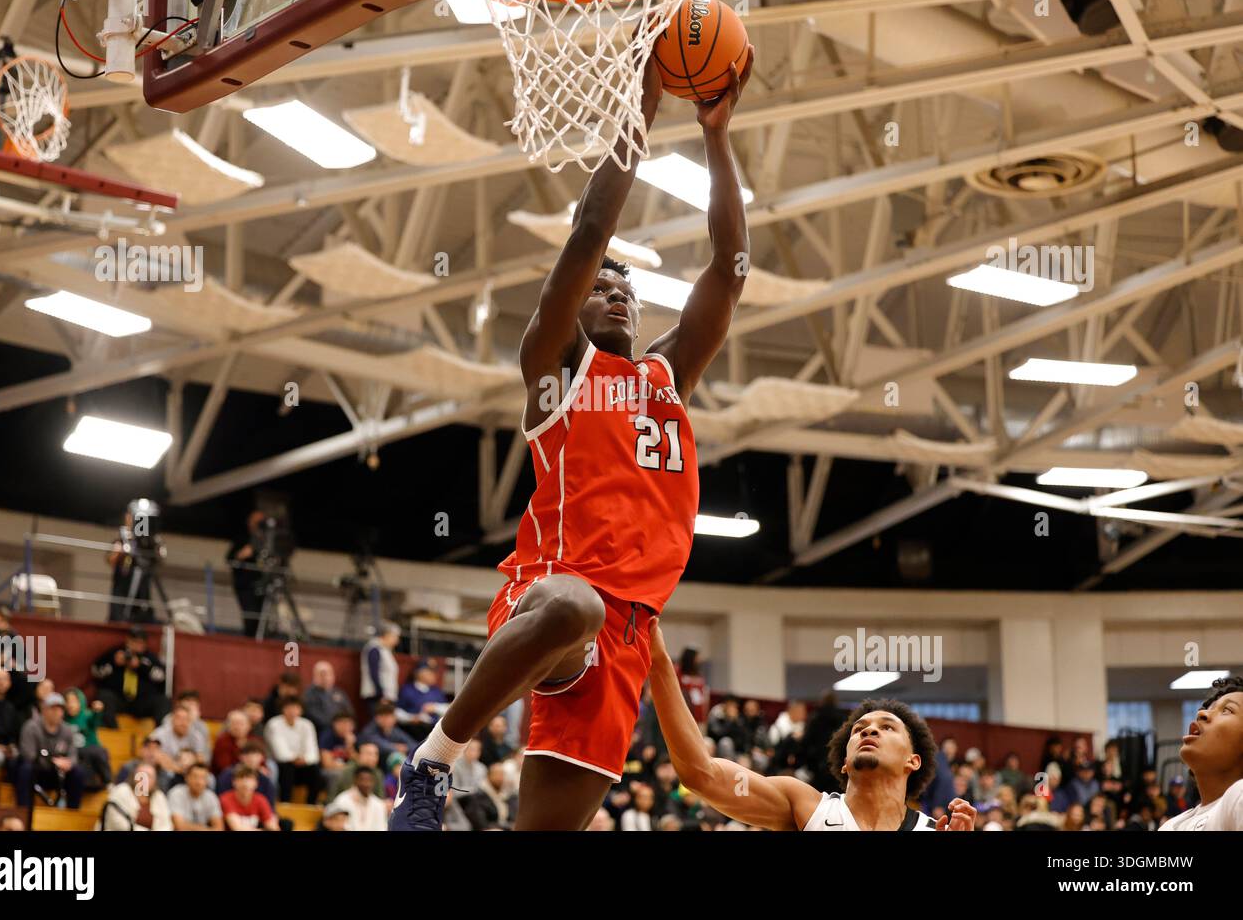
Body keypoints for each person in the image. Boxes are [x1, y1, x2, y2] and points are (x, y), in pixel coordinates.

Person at [390, 50, 755, 832]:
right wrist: (646, 101)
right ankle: (429, 764)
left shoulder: (668, 377)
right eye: (601, 289)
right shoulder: (555, 369)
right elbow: (593, 228)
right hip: (552, 597)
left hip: (629, 638)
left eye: (627, 290)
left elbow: (729, 268)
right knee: (575, 607)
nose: (616, 295)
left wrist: (718, 135)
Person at [646, 623, 974, 831]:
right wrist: (659, 664)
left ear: (913, 761)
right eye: (859, 728)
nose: (868, 731)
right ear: (844, 762)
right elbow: (702, 775)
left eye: (887, 727)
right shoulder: (805, 807)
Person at [1161, 674, 1243, 830]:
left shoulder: (1238, 797)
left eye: (1226, 710)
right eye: (1209, 708)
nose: (1201, 714)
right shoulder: (1171, 825)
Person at [15, 692, 86, 809]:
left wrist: (68, 763)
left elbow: (73, 755)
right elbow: (28, 755)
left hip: (56, 773)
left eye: (60, 709)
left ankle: (73, 812)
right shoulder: (31, 727)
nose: (57, 713)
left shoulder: (67, 730)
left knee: (78, 772)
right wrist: (53, 760)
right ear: (44, 710)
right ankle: (23, 810)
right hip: (36, 771)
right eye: (53, 709)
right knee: (25, 768)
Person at [91, 627, 170, 725]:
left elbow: (162, 677)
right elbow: (95, 672)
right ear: (127, 640)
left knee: (163, 701)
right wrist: (113, 663)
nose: (137, 645)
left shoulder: (149, 658)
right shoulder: (115, 653)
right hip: (119, 699)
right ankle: (112, 731)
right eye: (134, 641)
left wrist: (141, 666)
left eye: (140, 642)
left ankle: (160, 736)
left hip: (142, 701)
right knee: (104, 696)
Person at [264, 696, 322, 804]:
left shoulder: (307, 725)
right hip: (281, 764)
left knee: (315, 771)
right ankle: (285, 802)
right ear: (283, 709)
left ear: (301, 710)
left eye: (296, 708)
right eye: (289, 708)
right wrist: (293, 758)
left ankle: (311, 804)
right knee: (287, 769)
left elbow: (312, 749)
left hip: (303, 763)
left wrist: (306, 759)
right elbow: (279, 750)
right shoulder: (274, 724)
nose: (292, 711)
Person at [227, 511, 268, 637]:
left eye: (261, 522)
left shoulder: (266, 540)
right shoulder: (242, 538)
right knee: (250, 616)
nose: (258, 525)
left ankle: (260, 642)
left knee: (263, 619)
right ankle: (249, 640)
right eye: (256, 522)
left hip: (263, 585)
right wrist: (241, 555)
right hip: (245, 585)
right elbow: (229, 559)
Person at [62, 687, 111, 790]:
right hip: (72, 753)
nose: (71, 705)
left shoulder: (86, 715)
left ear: (81, 702)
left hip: (89, 750)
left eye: (74, 701)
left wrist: (97, 712)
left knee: (99, 753)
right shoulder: (62, 720)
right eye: (68, 701)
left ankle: (108, 781)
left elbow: (95, 721)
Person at [101, 763, 172, 831]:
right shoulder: (121, 791)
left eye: (149, 776)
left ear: (155, 780)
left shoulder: (159, 796)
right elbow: (118, 824)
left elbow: (166, 825)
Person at [215, 740, 278, 808]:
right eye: (247, 754)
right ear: (240, 757)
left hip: (257, 815)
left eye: (255, 755)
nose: (251, 758)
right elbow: (221, 800)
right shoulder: (227, 776)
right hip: (230, 812)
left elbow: (270, 808)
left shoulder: (265, 780)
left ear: (262, 757)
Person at [396, 661, 449, 737]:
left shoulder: (436, 691)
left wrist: (435, 707)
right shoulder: (407, 690)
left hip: (433, 731)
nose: (435, 675)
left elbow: (449, 709)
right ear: (419, 673)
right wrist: (411, 718)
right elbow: (397, 711)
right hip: (412, 731)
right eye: (430, 672)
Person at [221, 764, 280, 831]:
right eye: (241, 778)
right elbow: (237, 828)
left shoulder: (261, 799)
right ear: (234, 782)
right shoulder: (226, 798)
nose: (245, 783)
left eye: (249, 778)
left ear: (256, 783)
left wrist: (273, 825)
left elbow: (271, 824)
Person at [168, 762, 225, 831]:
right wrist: (207, 829)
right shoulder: (176, 793)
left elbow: (219, 828)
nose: (199, 782)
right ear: (186, 778)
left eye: (203, 778)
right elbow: (179, 826)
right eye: (195, 777)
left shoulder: (211, 796)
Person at [462, 762, 519, 831]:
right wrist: (507, 827)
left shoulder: (506, 796)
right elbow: (481, 824)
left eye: (502, 774)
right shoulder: (478, 796)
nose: (500, 778)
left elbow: (512, 819)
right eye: (497, 774)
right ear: (489, 776)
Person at [360, 621, 401, 714]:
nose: (397, 640)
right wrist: (381, 695)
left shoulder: (385, 650)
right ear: (387, 635)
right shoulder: (374, 648)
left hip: (386, 696)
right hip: (378, 697)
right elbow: (374, 672)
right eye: (395, 636)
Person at [359, 701, 418, 766]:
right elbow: (381, 746)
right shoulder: (369, 731)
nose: (388, 720)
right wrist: (396, 748)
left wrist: (405, 748)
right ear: (377, 718)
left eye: (390, 717)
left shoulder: (394, 731)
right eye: (384, 717)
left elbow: (414, 745)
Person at [333, 765, 388, 831]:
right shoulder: (342, 800)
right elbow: (341, 827)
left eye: (369, 780)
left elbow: (382, 828)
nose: (367, 784)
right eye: (363, 780)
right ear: (355, 780)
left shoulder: (378, 804)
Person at [303, 661, 354, 732]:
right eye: (322, 674)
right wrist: (336, 725)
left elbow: (349, 712)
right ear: (315, 676)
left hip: (343, 729)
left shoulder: (339, 693)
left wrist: (347, 725)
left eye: (329, 674)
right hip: (322, 730)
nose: (326, 677)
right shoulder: (309, 694)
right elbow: (314, 716)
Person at [675, 646, 710, 724]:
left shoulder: (699, 676)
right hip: (683, 716)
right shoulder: (678, 673)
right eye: (697, 658)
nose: (699, 660)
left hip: (699, 718)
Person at [212, 709, 252, 775]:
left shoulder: (253, 740)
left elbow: (261, 761)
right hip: (229, 775)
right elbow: (224, 766)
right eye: (234, 724)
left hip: (252, 774)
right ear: (228, 726)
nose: (238, 727)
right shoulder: (222, 741)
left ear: (249, 726)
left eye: (241, 724)